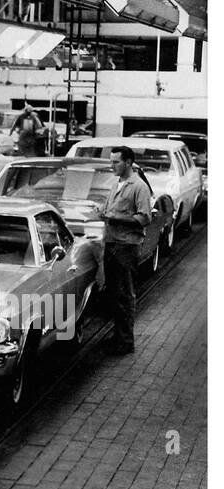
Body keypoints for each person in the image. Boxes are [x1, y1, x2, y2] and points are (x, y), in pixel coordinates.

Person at [100, 145, 152, 356]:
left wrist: (115, 218)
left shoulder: (139, 187)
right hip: (112, 244)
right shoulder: (117, 184)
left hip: (126, 247)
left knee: (124, 295)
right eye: (111, 161)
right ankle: (118, 336)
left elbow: (144, 218)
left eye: (116, 161)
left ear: (128, 162)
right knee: (114, 294)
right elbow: (108, 210)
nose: (112, 165)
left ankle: (126, 342)